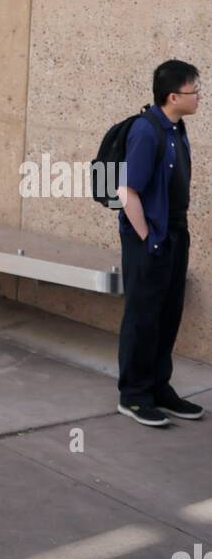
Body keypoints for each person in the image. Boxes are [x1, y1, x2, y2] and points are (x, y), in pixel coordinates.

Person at [116, 59, 204, 426]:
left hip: (174, 234)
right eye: (194, 91)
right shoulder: (147, 130)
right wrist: (148, 238)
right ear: (172, 96)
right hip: (150, 237)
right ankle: (134, 395)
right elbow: (126, 189)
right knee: (143, 315)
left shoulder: (176, 128)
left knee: (168, 313)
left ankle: (158, 387)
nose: (199, 97)